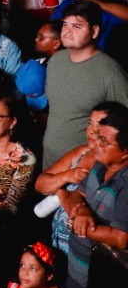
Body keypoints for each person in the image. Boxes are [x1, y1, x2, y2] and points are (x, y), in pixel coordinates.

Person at [45, 111, 128, 288]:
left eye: (105, 141)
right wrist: (78, 209)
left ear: (125, 152)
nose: (96, 143)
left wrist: (83, 226)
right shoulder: (99, 164)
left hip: (105, 286)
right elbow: (77, 195)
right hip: (77, 274)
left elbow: (121, 238)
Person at [42, 0, 128, 168]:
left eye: (77, 26)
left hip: (84, 169)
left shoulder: (110, 72)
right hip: (50, 162)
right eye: (65, 24)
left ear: (95, 31)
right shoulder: (55, 61)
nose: (67, 31)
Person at [34, 101, 128, 253]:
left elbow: (120, 236)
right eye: (90, 123)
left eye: (99, 126)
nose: (92, 131)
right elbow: (40, 184)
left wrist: (61, 193)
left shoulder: (111, 166)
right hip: (59, 237)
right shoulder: (82, 153)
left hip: (86, 248)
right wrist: (66, 177)